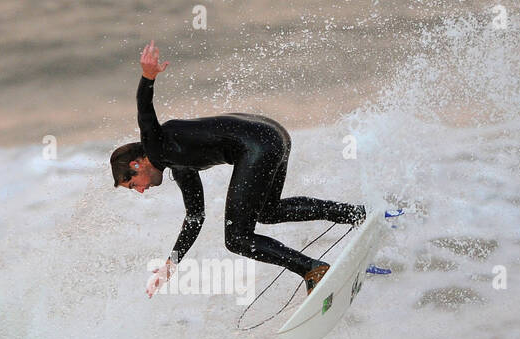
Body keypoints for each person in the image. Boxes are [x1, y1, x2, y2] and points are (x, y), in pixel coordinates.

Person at [112, 41, 365, 297]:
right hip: (273, 136)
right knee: (268, 211)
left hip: (257, 145)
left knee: (237, 238)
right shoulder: (179, 166)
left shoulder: (155, 145)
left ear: (137, 164)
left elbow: (144, 112)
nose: (141, 190)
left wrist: (148, 76)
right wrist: (171, 264)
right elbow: (195, 217)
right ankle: (355, 214)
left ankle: (313, 269)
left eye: (133, 184)